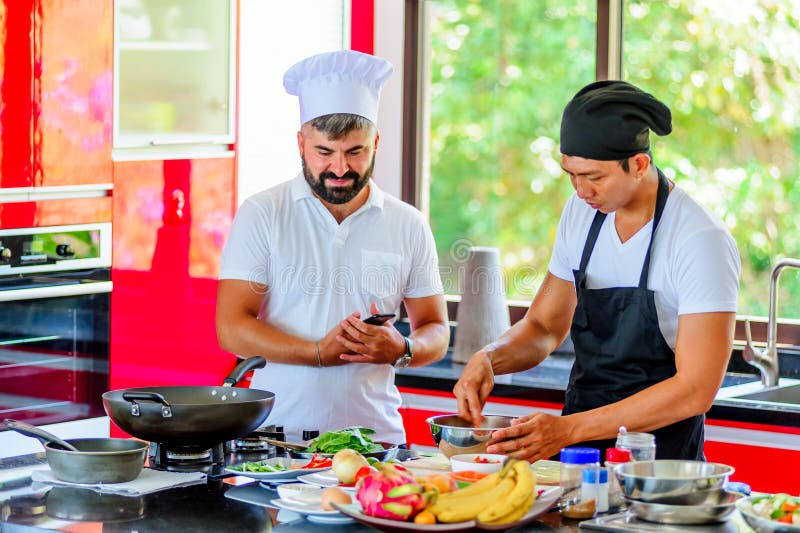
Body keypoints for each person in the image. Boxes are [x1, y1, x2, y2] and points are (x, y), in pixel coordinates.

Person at [453, 80, 741, 461]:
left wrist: (569, 429)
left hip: (657, 463)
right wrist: (489, 357)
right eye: (571, 174)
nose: (580, 191)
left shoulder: (698, 238)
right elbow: (544, 326)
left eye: (594, 177)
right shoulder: (582, 214)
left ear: (639, 165)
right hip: (576, 453)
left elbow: (695, 389)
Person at [216, 50, 449, 445]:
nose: (340, 168)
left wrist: (403, 348)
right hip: (278, 439)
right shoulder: (263, 213)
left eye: (355, 152)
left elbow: (436, 329)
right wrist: (317, 352)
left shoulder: (407, 223)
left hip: (376, 442)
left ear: (375, 142)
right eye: (324, 152)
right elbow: (231, 328)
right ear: (301, 143)